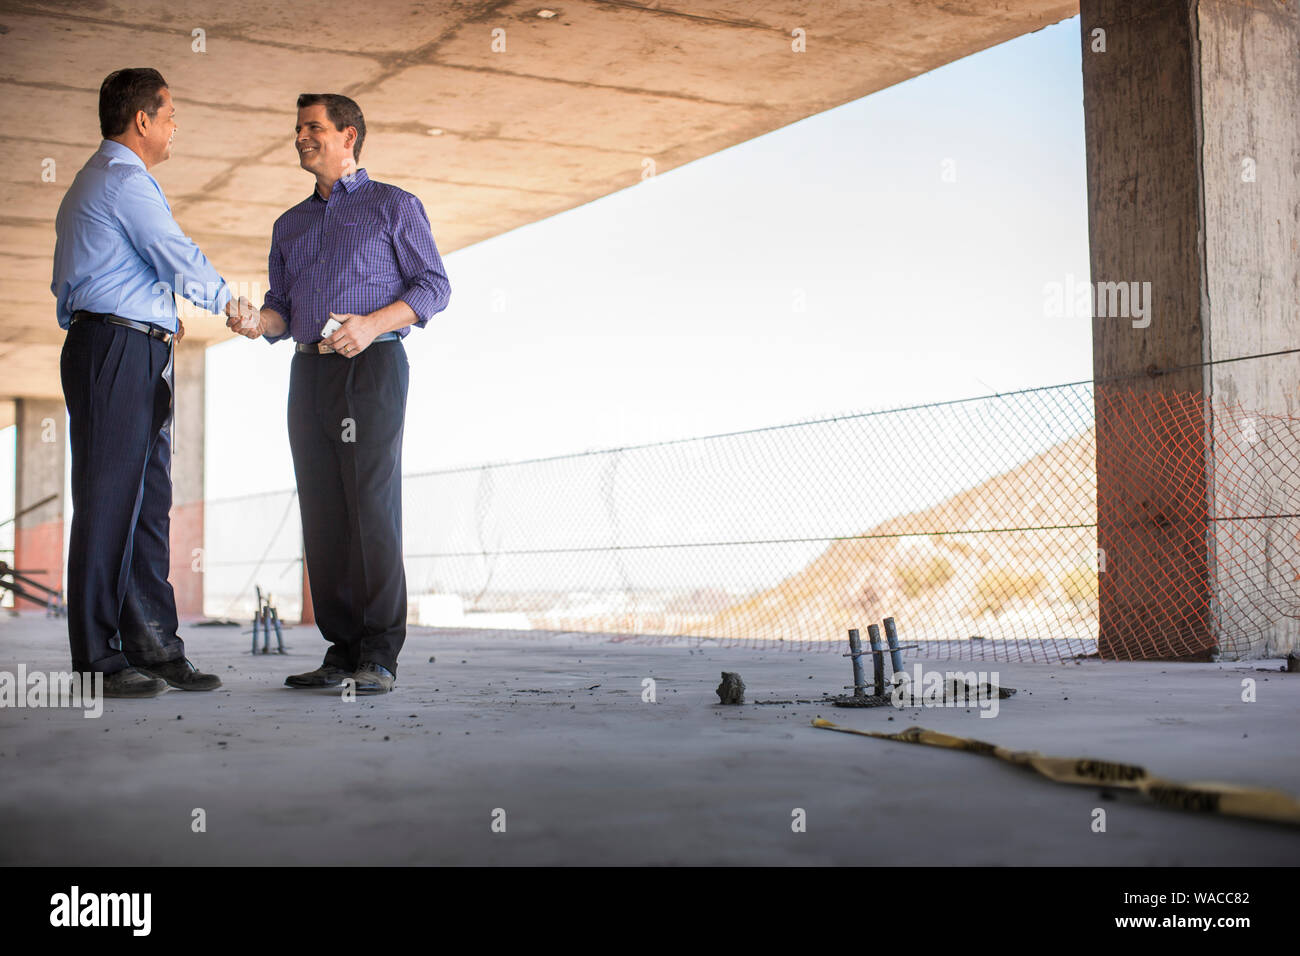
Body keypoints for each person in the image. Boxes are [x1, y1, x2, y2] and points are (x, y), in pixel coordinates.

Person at [229, 93, 450, 695]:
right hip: (310, 374)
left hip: (373, 368)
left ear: (348, 136)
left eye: (313, 128)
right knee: (322, 509)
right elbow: (281, 310)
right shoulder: (290, 225)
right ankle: (342, 646)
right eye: (299, 129)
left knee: (370, 505)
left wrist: (373, 323)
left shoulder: (394, 206)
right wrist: (257, 323)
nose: (301, 137)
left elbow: (434, 287)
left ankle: (379, 651)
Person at [53, 68, 257, 698]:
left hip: (132, 349)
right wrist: (231, 303)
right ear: (141, 120)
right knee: (109, 504)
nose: (174, 128)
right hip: (113, 347)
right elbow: (173, 252)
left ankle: (154, 646)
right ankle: (97, 662)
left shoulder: (111, 181)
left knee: (147, 508)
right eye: (170, 116)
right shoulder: (122, 179)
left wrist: (154, 325)